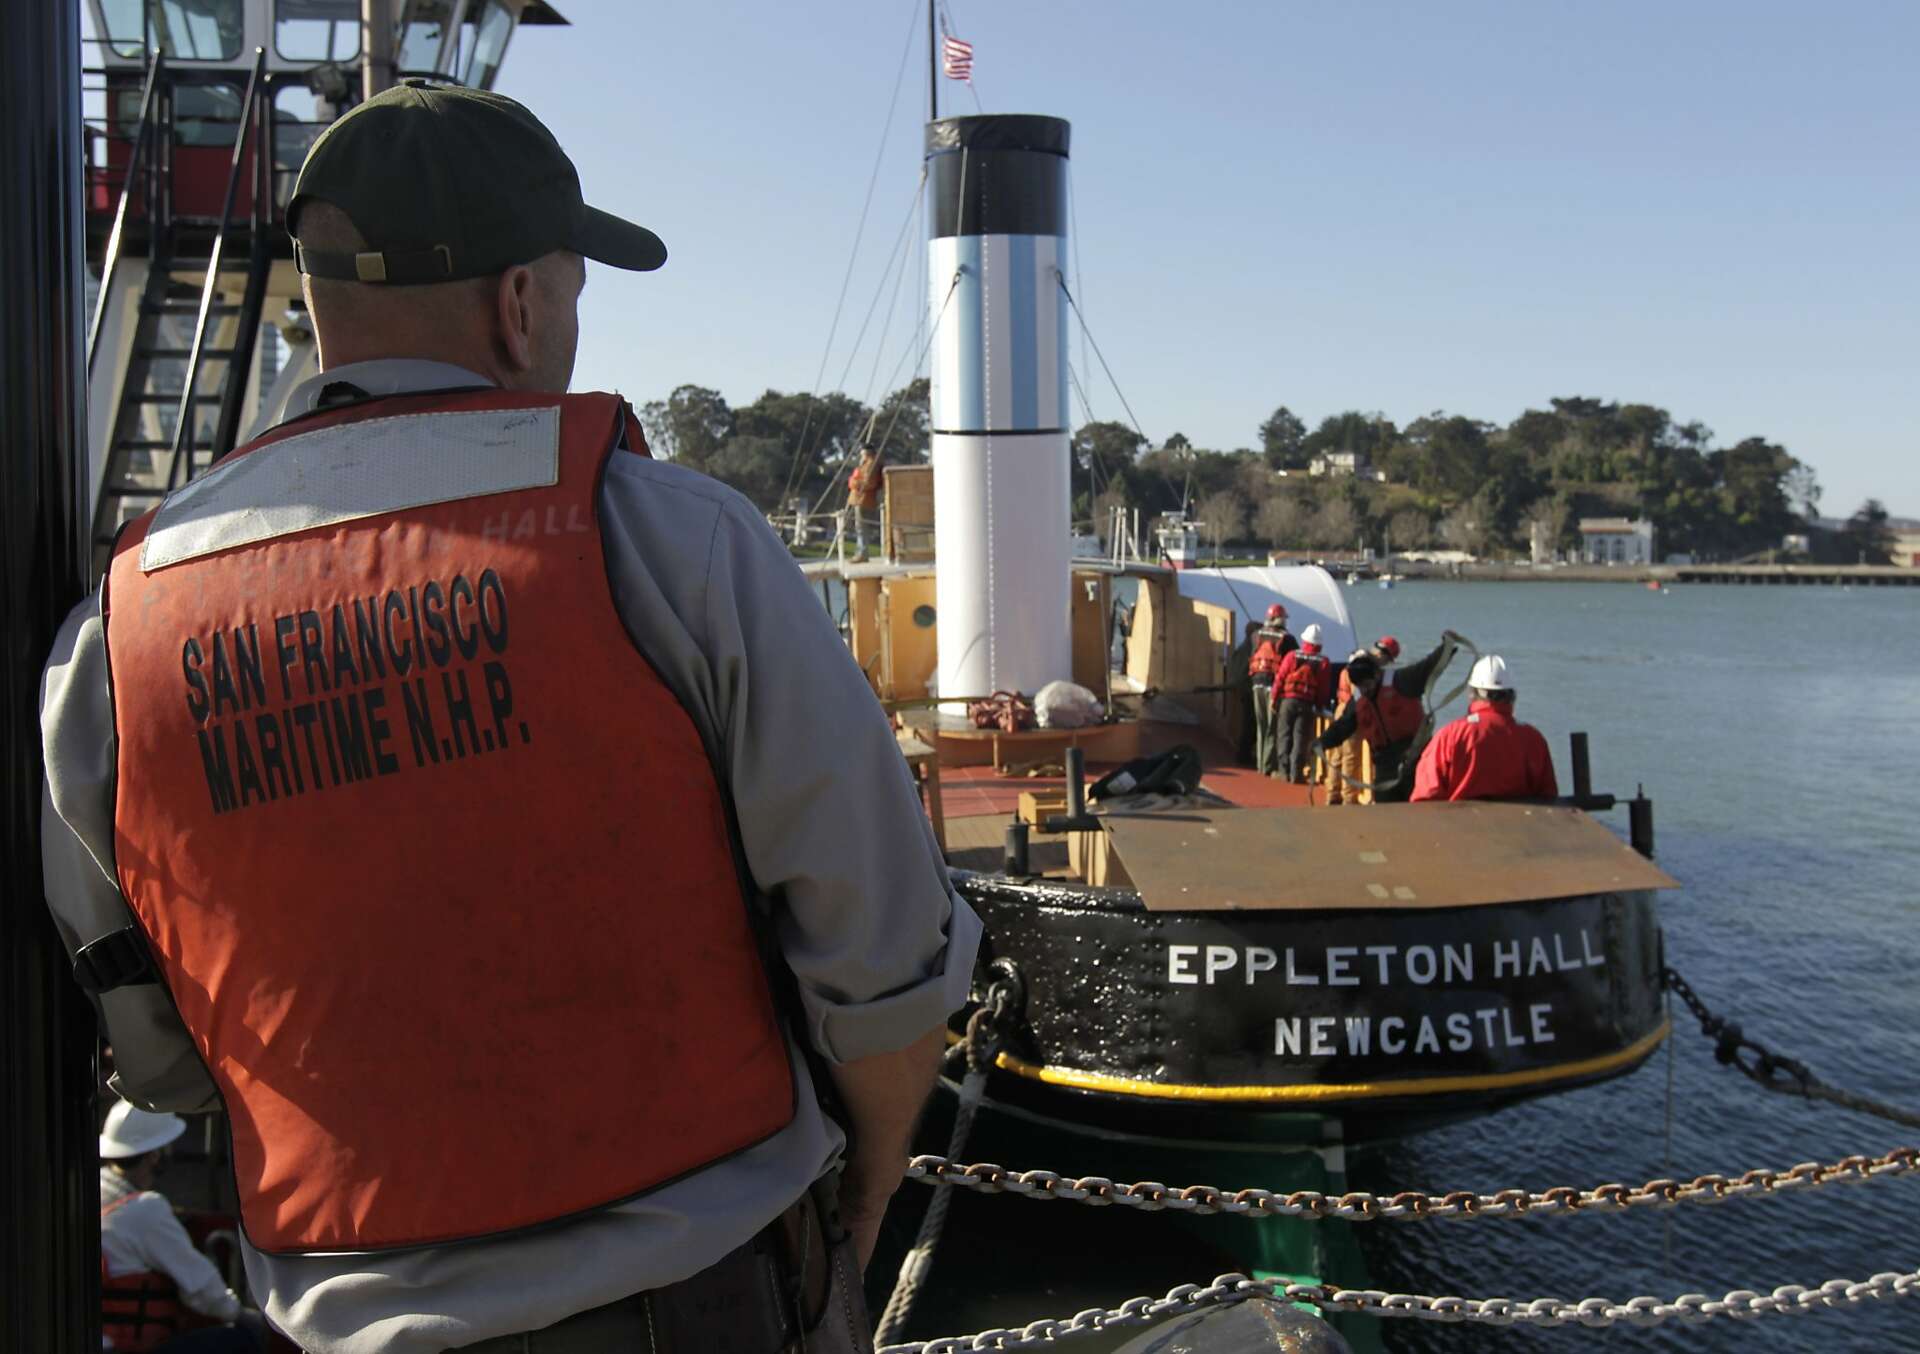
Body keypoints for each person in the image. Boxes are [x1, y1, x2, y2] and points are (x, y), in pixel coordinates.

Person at [41, 82, 979, 1354]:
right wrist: (859, 1218)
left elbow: (159, 1053)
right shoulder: (680, 544)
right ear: (523, 301)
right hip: (704, 1302)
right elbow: (886, 969)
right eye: (577, 291)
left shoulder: (116, 635)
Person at [99, 1100, 265, 1353]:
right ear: (155, 1155)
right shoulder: (145, 1209)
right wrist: (244, 1316)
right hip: (132, 1348)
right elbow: (202, 1289)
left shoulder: (90, 1193)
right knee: (244, 1340)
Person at [1314, 636, 1449, 804]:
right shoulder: (1358, 699)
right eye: (1360, 686)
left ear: (1377, 674)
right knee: (1386, 812)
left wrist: (1447, 646)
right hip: (1384, 764)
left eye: (1367, 684)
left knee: (1418, 810)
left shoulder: (1402, 681)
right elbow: (1343, 726)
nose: (1365, 690)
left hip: (1415, 759)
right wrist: (1321, 742)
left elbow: (1429, 666)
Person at [1411, 654, 1558, 802]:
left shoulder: (1450, 735)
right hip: (1518, 822)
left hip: (1459, 822)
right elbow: (1548, 797)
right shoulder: (1533, 738)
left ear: (1472, 693)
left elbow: (1426, 796)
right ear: (1512, 695)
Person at [1270, 622, 1332, 783]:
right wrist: (1319, 705)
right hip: (1306, 705)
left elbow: (1280, 678)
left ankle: (1283, 773)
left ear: (1304, 640)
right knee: (1300, 739)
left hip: (1288, 702)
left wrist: (1274, 698)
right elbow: (1323, 689)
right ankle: (1296, 774)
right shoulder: (1323, 662)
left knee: (1283, 736)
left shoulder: (1292, 656)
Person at [1247, 604, 1295, 775]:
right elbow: (1292, 664)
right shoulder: (1287, 639)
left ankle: (1260, 764)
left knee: (1260, 726)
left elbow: (1251, 656)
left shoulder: (1255, 635)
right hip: (1273, 687)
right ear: (1280, 619)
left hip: (1256, 684)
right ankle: (1267, 768)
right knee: (1272, 728)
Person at [1225, 619, 1261, 765]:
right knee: (1251, 725)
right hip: (1250, 691)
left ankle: (1244, 754)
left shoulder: (1240, 649)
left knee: (1248, 724)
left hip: (1242, 690)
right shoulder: (1252, 650)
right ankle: (1246, 756)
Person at [844, 439, 883, 561]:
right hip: (859, 499)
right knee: (859, 528)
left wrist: (853, 482)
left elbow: (869, 483)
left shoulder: (870, 464)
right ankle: (860, 552)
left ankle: (862, 553)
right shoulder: (866, 464)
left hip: (864, 500)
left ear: (866, 452)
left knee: (862, 528)